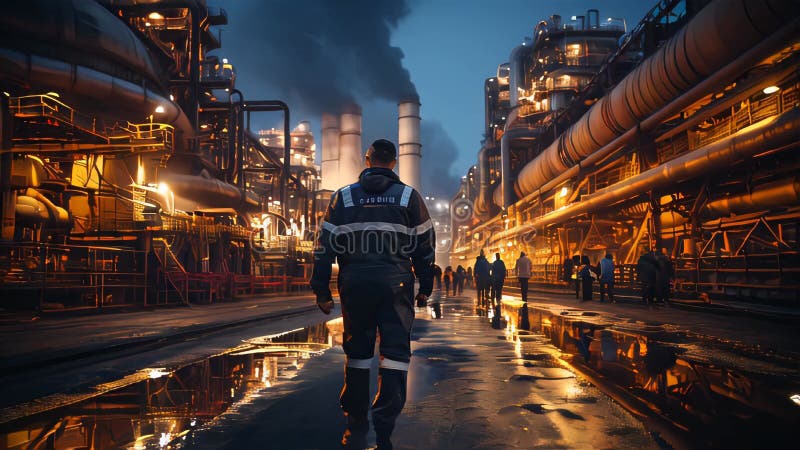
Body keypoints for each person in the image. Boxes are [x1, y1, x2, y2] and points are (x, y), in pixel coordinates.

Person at [310, 138, 435, 449]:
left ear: (367, 160)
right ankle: (384, 428)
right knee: (394, 356)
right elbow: (425, 247)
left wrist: (321, 290)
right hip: (396, 286)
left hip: (355, 285)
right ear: (393, 162)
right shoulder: (409, 197)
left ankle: (355, 422)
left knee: (358, 355)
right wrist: (425, 288)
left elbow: (324, 248)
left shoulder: (344, 197)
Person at [491, 253, 507, 324]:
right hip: (500, 278)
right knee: (499, 289)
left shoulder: (494, 263)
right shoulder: (502, 263)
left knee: (496, 288)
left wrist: (493, 277)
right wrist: (503, 277)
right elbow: (504, 270)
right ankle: (498, 298)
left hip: (496, 279)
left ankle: (497, 298)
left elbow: (493, 271)